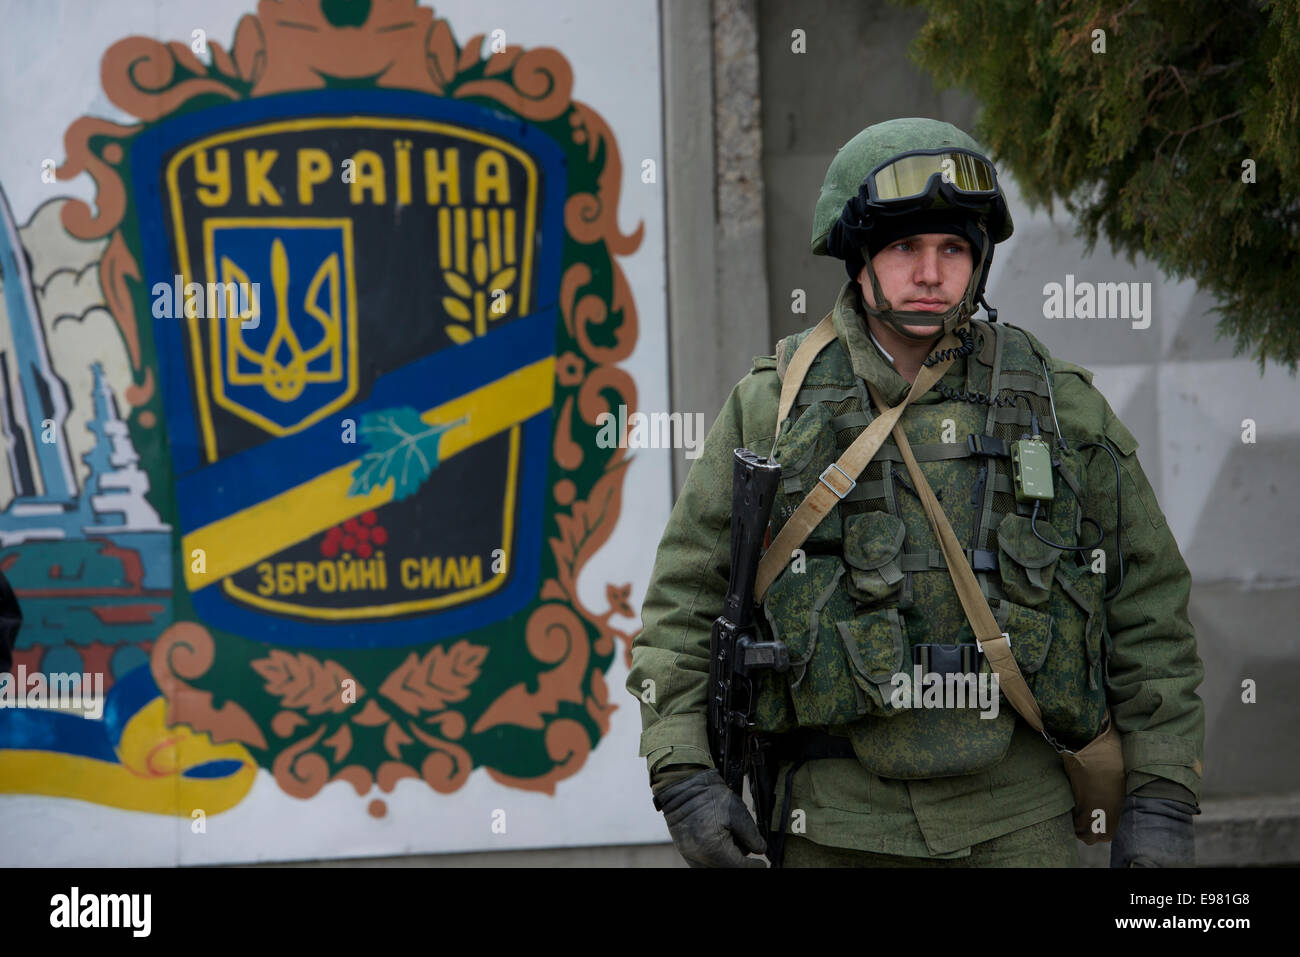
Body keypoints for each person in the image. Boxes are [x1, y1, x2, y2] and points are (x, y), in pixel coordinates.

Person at [627, 117, 1204, 868]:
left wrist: (1162, 797)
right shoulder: (774, 407)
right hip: (831, 826)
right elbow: (684, 604)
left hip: (1019, 819)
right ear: (859, 255)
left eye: (953, 250)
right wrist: (683, 775)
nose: (931, 274)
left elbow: (1147, 604)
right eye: (905, 247)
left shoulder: (1058, 406)